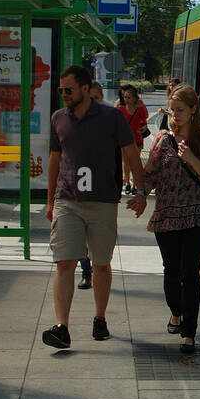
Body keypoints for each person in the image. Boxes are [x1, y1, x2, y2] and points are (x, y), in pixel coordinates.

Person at [42, 65, 146, 349]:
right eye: (60, 90)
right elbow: (54, 159)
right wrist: (50, 200)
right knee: (65, 262)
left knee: (101, 264)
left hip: (102, 201)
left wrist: (140, 190)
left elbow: (131, 153)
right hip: (68, 200)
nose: (63, 94)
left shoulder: (111, 117)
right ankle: (61, 327)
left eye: (68, 89)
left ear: (86, 89)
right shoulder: (58, 118)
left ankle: (99, 318)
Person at [137, 84, 200, 355]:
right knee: (171, 272)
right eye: (172, 110)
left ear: (193, 110)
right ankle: (176, 312)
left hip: (197, 215)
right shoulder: (163, 140)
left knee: (191, 273)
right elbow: (150, 174)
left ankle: (189, 333)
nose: (174, 115)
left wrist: (191, 158)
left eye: (180, 110)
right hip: (166, 215)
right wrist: (140, 195)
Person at [78, 82, 105, 290]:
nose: (92, 102)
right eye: (90, 98)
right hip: (77, 190)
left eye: (96, 98)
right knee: (81, 236)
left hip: (101, 192)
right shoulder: (73, 119)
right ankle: (86, 271)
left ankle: (98, 269)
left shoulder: (109, 120)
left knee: (97, 240)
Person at [119, 85, 149, 192]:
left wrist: (144, 127)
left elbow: (144, 121)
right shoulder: (121, 110)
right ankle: (127, 183)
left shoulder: (139, 109)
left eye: (129, 97)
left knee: (135, 163)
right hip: (125, 140)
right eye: (125, 97)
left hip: (137, 139)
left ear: (135, 98)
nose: (126, 99)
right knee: (126, 163)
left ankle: (135, 184)